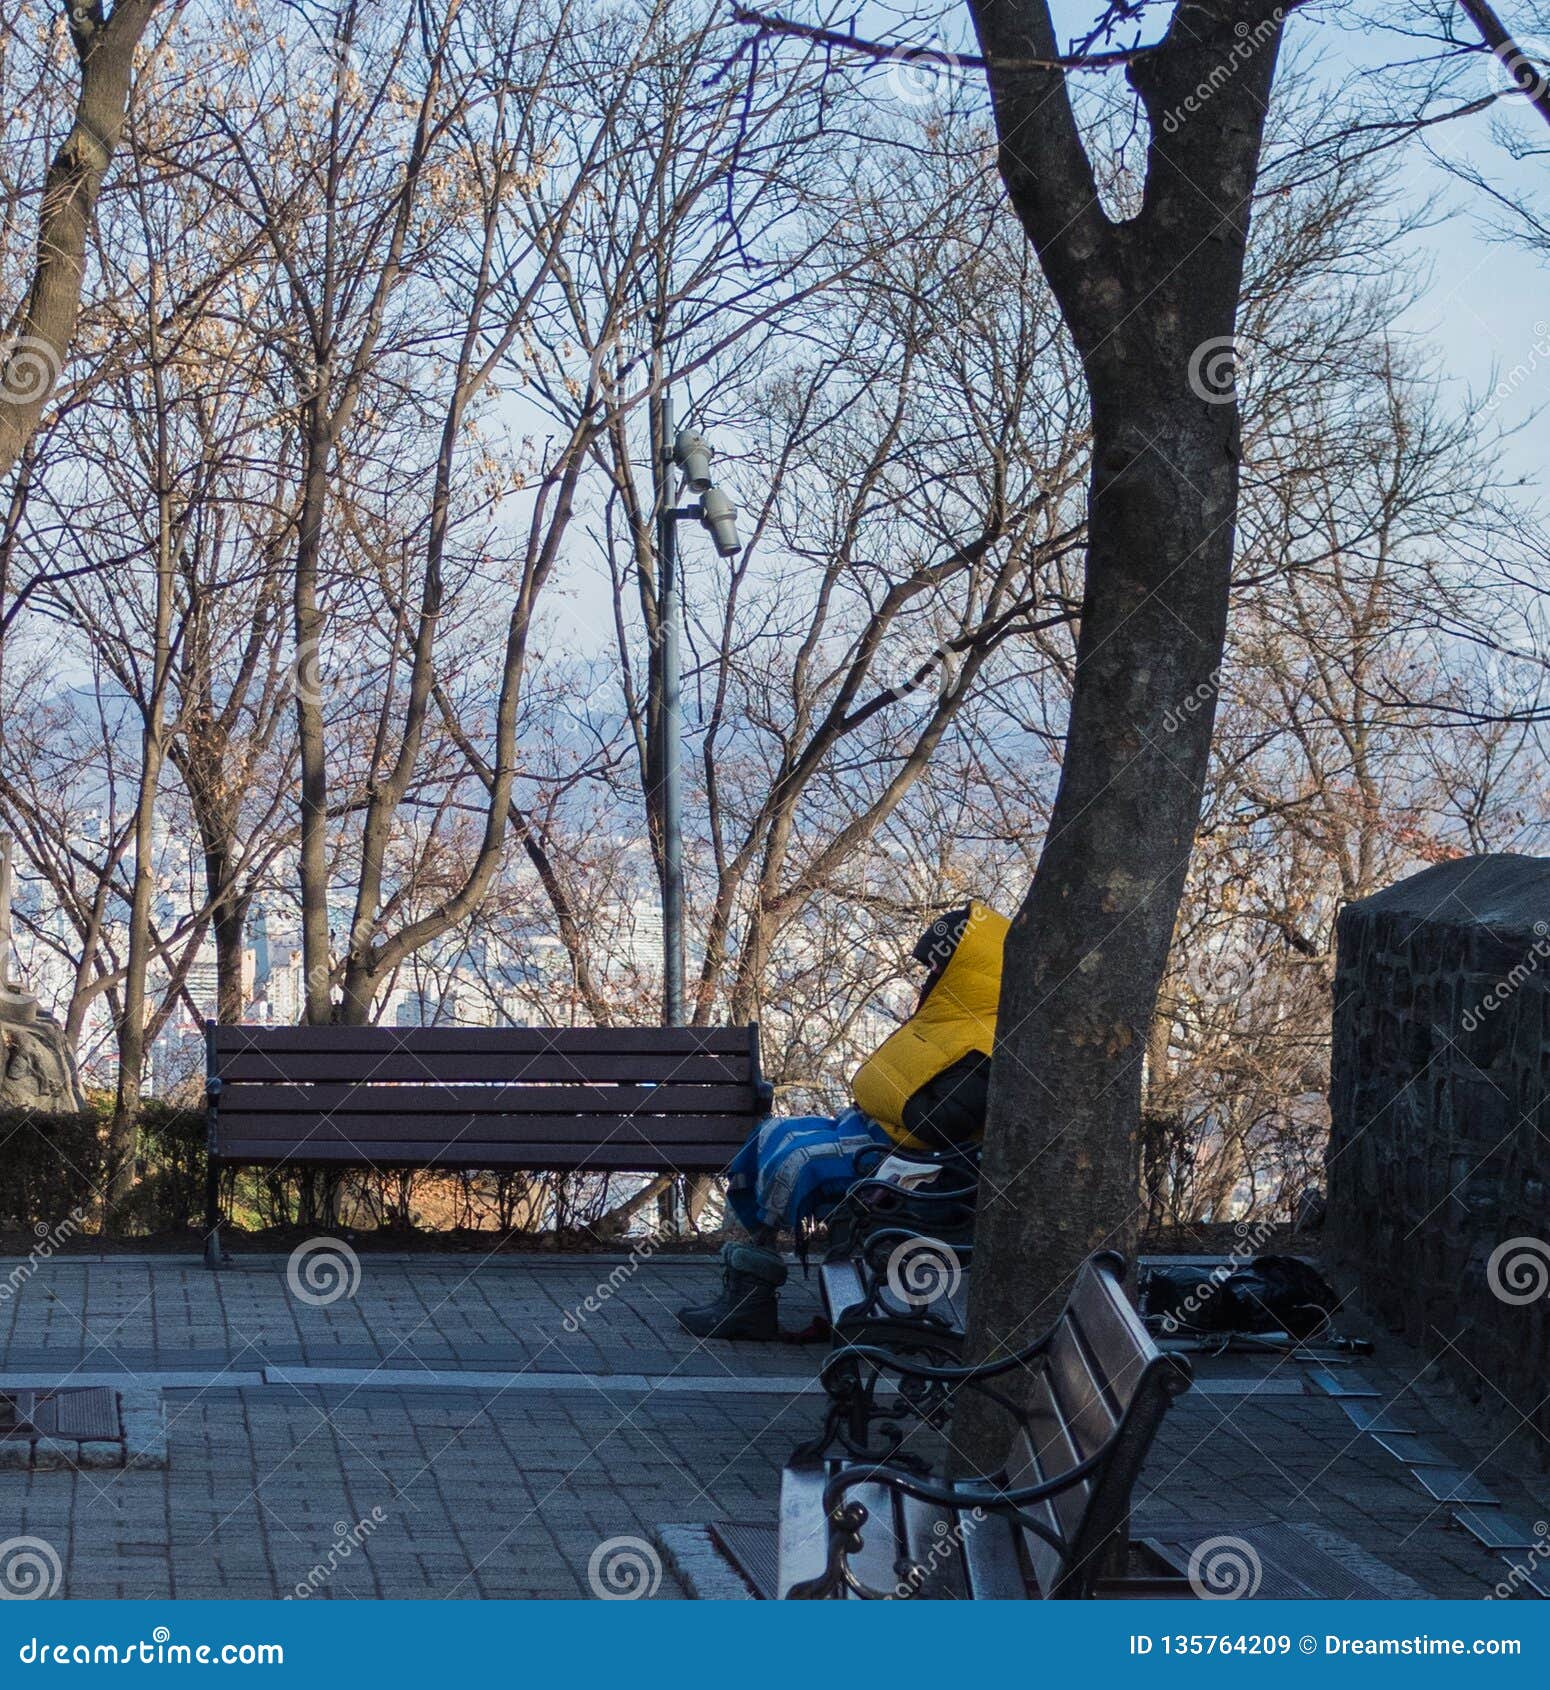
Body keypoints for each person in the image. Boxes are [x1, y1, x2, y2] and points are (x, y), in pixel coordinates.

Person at [676, 899, 1010, 1340]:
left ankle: (750, 1299)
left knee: (799, 1160)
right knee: (769, 1137)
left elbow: (933, 1121)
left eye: (937, 966)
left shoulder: (984, 1040)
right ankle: (746, 1292)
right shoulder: (950, 1020)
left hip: (916, 1168)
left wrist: (878, 1089)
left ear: (964, 972)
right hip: (877, 1137)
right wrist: (882, 1090)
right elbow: (894, 1090)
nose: (929, 975)